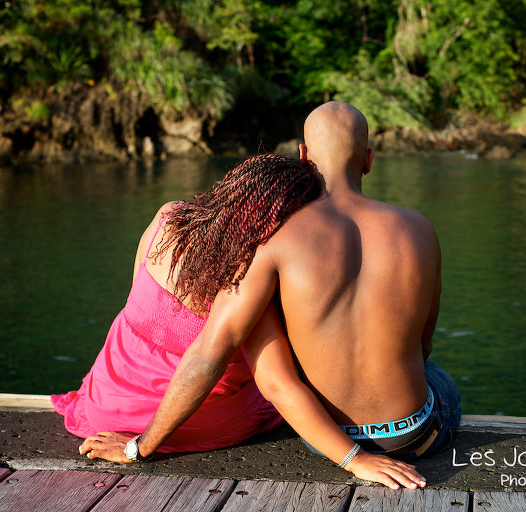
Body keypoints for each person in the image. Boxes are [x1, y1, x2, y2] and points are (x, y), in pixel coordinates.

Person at [79, 102, 460, 490]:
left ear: (304, 155)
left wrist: (138, 449)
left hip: (324, 437)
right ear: (368, 160)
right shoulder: (421, 229)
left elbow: (213, 353)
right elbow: (424, 344)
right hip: (411, 435)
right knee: (435, 374)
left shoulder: (271, 241)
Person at [51, 154, 320, 453]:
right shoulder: (247, 278)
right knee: (288, 393)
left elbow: (131, 312)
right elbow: (272, 383)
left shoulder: (167, 218)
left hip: (106, 402)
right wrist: (138, 448)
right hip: (176, 424)